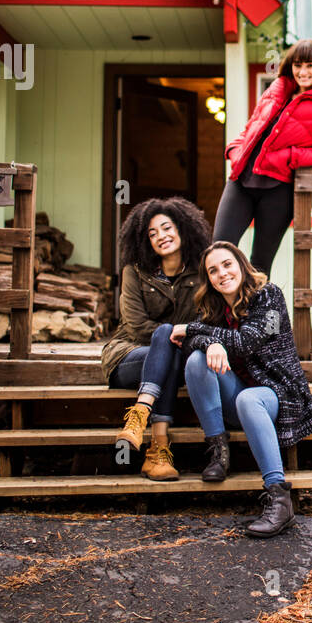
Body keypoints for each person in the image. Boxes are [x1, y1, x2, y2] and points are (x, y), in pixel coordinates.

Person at [171, 240, 312, 537]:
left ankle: (279, 498)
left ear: (240, 265)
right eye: (213, 270)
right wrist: (208, 341)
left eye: (227, 264)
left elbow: (246, 341)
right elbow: (190, 344)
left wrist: (199, 332)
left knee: (250, 399)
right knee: (198, 361)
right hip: (236, 396)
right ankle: (218, 452)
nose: (221, 274)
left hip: (277, 393)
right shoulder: (213, 306)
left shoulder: (269, 296)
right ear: (208, 279)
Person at [214, 38, 312, 276]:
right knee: (219, 250)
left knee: (260, 262)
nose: (302, 72)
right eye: (297, 65)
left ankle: (256, 314)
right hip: (241, 180)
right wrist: (235, 151)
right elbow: (251, 129)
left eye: (310, 65)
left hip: (278, 191)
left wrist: (288, 157)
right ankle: (222, 313)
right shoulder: (277, 90)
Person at [101, 196, 211, 480]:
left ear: (183, 229)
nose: (161, 236)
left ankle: (140, 416)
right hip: (129, 355)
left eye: (166, 228)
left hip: (176, 357)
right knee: (165, 335)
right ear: (144, 241)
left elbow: (205, 321)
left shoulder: (201, 273)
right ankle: (158, 449)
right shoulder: (133, 273)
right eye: (152, 233)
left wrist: (175, 335)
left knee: (168, 341)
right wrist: (175, 333)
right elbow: (137, 327)